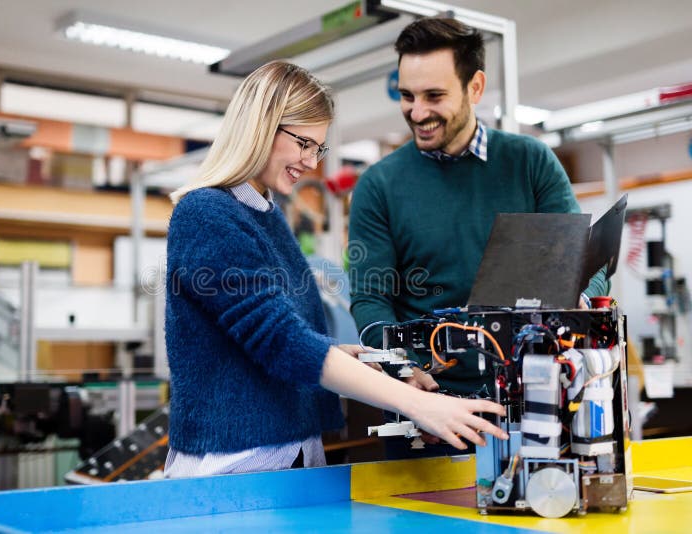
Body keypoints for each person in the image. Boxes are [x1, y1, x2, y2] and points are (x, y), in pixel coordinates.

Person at [163, 60, 508, 477]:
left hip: (285, 454)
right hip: (234, 465)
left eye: (318, 149)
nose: (312, 162)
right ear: (261, 126)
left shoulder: (265, 214)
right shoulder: (207, 213)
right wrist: (418, 405)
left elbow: (275, 340)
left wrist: (356, 362)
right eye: (304, 143)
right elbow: (280, 340)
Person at [348, 18, 609, 454]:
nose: (417, 112)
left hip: (533, 403)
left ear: (475, 88)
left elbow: (585, 262)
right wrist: (401, 372)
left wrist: (575, 301)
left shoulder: (530, 162)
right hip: (427, 414)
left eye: (434, 96)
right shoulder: (379, 186)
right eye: (407, 96)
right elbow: (369, 299)